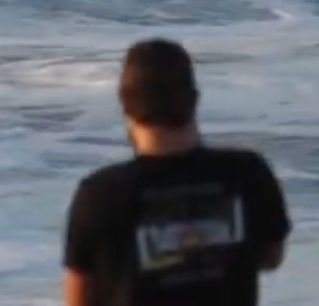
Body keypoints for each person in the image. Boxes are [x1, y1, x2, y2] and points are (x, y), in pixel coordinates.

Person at [62, 39, 289, 306]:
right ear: (194, 98)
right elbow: (271, 258)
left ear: (125, 103)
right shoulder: (247, 173)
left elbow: (78, 300)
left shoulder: (100, 194)